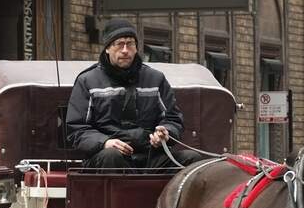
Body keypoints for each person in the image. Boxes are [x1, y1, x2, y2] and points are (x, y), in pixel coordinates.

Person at [65, 18, 202, 169]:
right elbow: (76, 128)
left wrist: (165, 133)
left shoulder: (155, 79)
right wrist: (105, 143)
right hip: (107, 157)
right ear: (107, 48)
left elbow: (173, 119)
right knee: (111, 156)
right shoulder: (87, 81)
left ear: (136, 48)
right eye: (119, 44)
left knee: (193, 159)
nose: (125, 50)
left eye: (130, 44)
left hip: (151, 156)